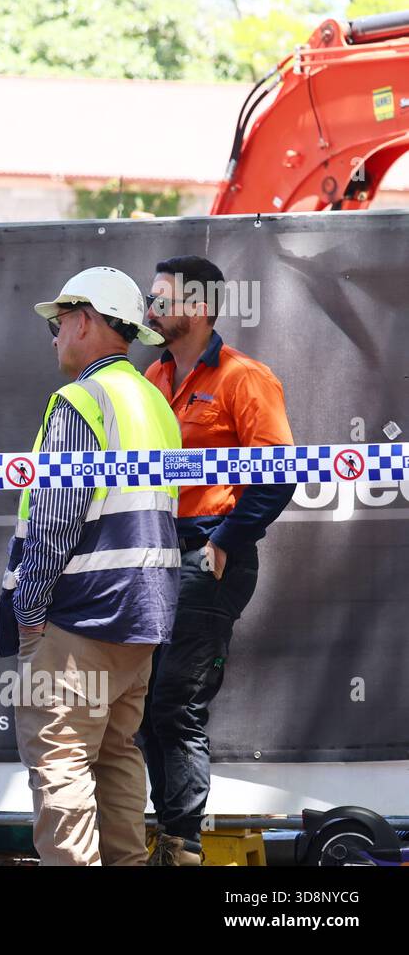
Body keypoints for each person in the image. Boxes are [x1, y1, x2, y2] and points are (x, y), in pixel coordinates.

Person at [0, 266, 181, 866]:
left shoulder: (80, 400)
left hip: (78, 618)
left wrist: (29, 610)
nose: (54, 336)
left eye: (58, 323)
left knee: (60, 763)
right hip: (141, 615)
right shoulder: (154, 398)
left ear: (84, 320)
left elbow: (56, 518)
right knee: (117, 755)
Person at [139, 255, 294, 866]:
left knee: (175, 698)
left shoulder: (244, 377)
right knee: (149, 700)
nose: (150, 310)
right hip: (151, 555)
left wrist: (227, 539)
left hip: (208, 555)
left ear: (198, 309)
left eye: (160, 299)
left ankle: (182, 843)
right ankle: (171, 835)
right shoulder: (152, 376)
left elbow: (278, 471)